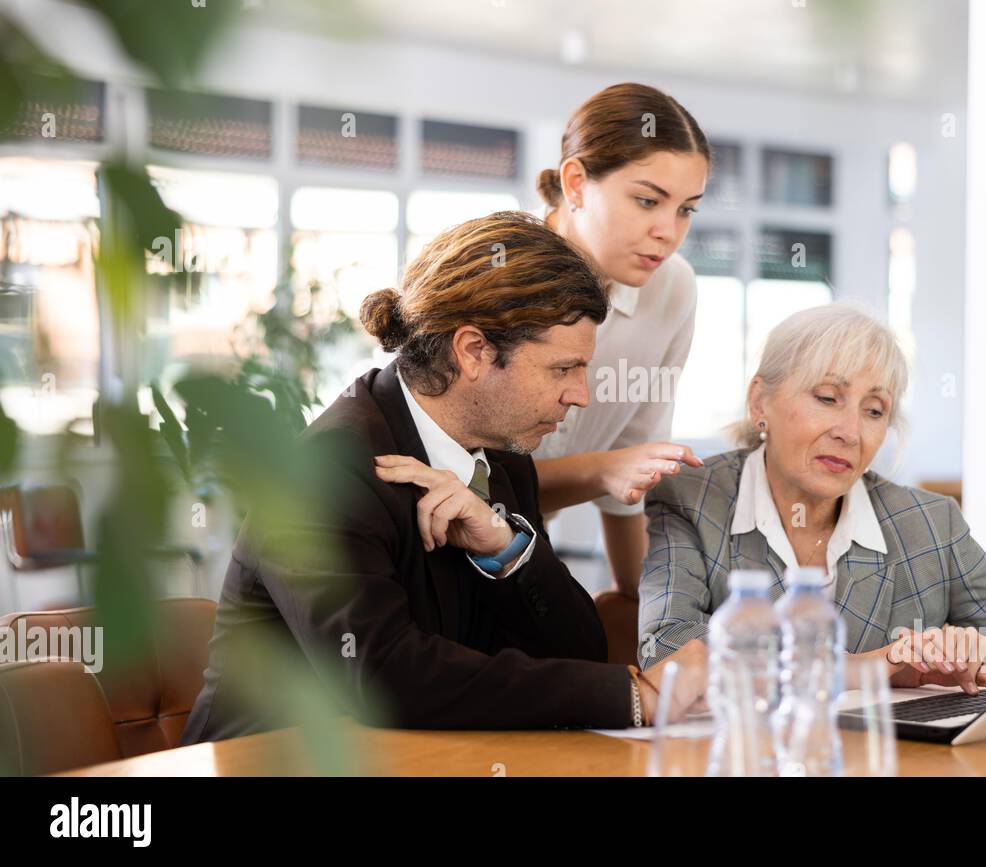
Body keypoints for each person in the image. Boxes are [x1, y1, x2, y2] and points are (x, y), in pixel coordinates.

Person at [181, 211, 705, 744]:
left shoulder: (502, 461)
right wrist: (630, 696)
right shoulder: (323, 474)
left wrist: (505, 547)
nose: (581, 395)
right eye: (562, 369)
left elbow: (577, 652)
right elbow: (386, 679)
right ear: (474, 351)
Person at [636, 302, 986, 693]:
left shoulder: (928, 523)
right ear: (760, 402)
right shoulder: (691, 497)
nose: (850, 432)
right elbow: (668, 642)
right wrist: (868, 668)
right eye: (827, 398)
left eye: (874, 411)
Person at [529, 82, 712, 597]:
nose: (668, 231)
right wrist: (604, 470)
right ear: (577, 183)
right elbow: (473, 479)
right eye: (647, 200)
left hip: (517, 543)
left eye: (686, 209)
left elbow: (629, 479)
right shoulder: (500, 275)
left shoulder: (672, 289)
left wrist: (644, 613)